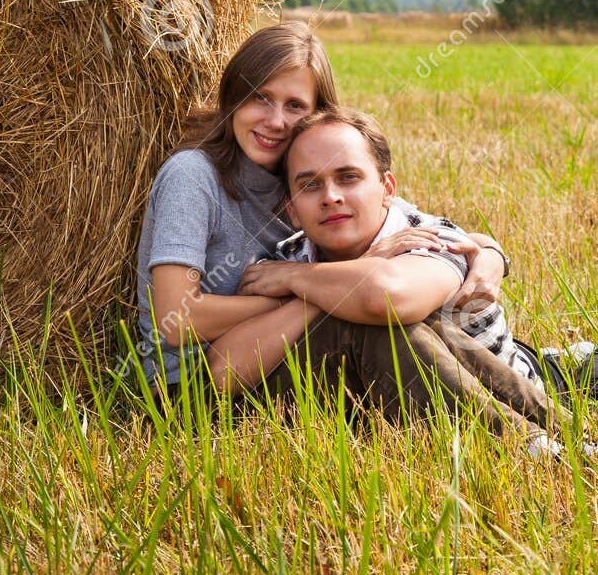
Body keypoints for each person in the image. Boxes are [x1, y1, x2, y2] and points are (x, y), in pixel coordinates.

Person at [127, 24, 509, 390]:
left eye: (294, 105)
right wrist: (323, 287)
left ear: (316, 114)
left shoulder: (303, 179)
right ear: (233, 98)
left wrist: (489, 253)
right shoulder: (193, 176)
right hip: (189, 385)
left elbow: (404, 221)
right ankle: (529, 430)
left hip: (278, 353)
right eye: (260, 97)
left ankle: (541, 414)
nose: (275, 121)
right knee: (369, 320)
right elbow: (175, 321)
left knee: (397, 312)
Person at [204, 107, 569, 452]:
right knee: (357, 318)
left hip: (504, 393)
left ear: (388, 189)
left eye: (348, 177)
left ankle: (539, 441)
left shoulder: (429, 237)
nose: (331, 197)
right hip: (381, 411)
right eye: (310, 185)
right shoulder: (286, 258)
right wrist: (317, 293)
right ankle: (534, 446)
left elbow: (387, 301)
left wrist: (303, 282)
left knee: (388, 324)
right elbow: (223, 373)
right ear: (292, 210)